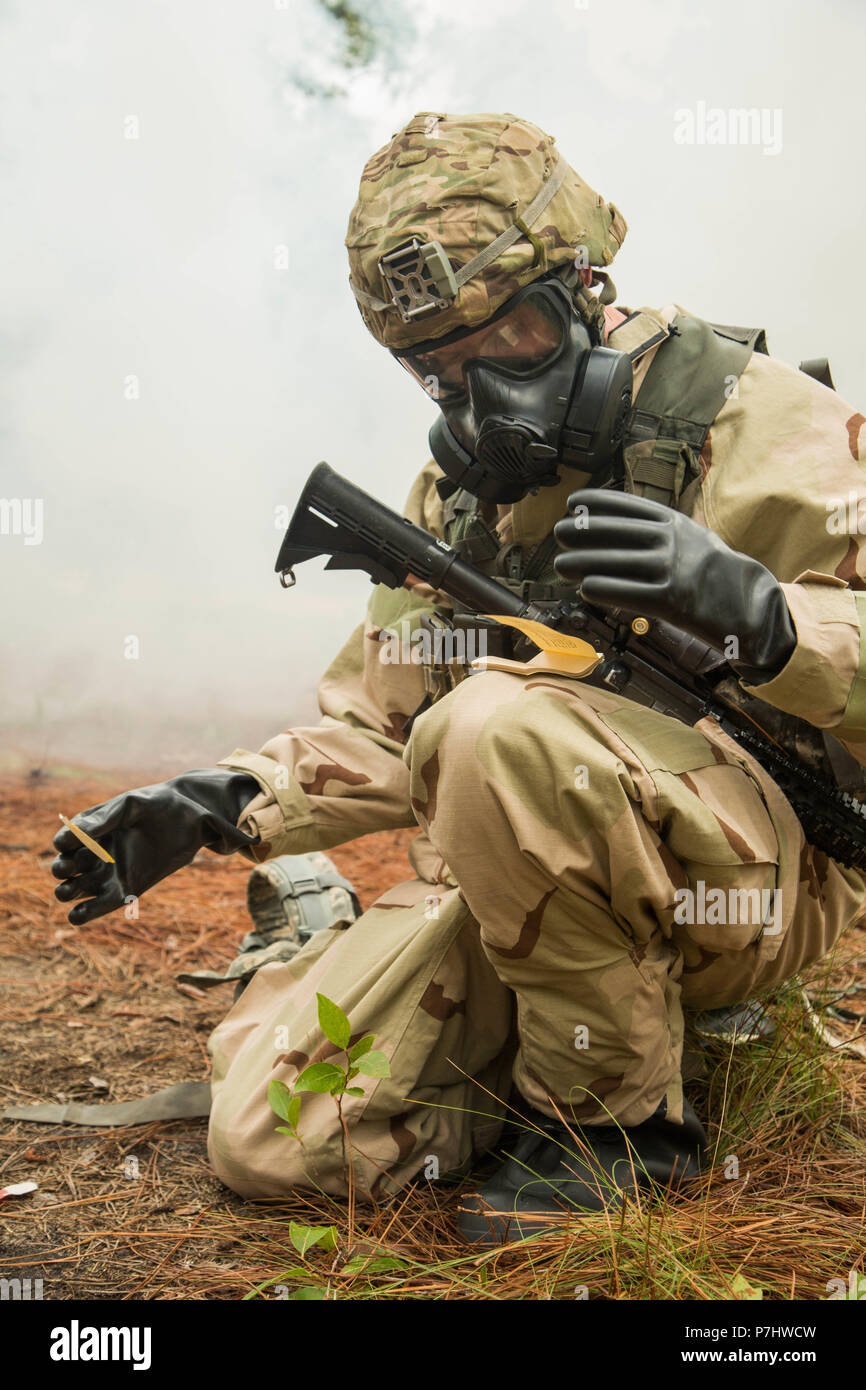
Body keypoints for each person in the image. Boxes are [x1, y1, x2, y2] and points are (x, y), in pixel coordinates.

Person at [52, 111, 866, 1246]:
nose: (480, 400)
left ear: (584, 288)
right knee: (278, 1145)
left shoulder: (758, 418)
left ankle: (613, 1131)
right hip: (531, 885)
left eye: (509, 344)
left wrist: (769, 619)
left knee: (496, 727)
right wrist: (225, 799)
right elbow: (383, 726)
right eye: (435, 372)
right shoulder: (467, 501)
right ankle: (313, 922)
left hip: (754, 884)